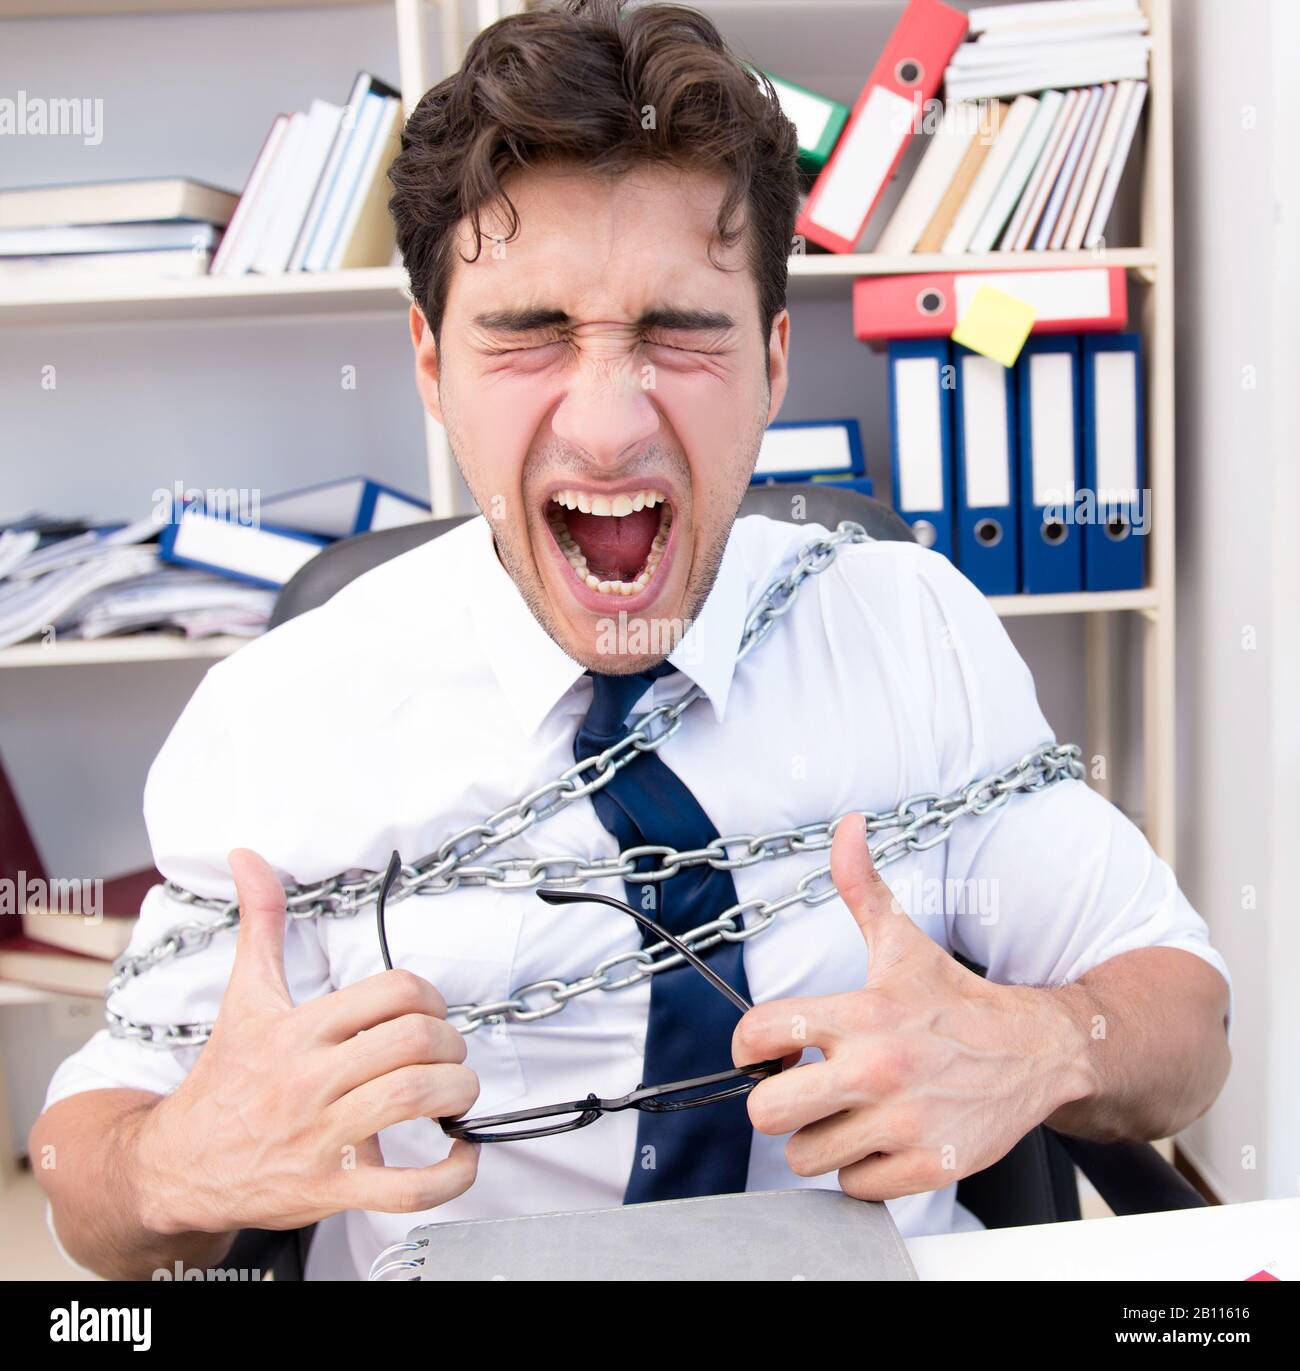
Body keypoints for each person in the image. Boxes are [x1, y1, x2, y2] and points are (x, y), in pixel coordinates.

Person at [31, 0, 1230, 1281]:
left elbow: (1188, 1025)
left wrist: (1044, 1044)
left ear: (772, 363)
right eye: (526, 333)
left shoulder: (910, 629)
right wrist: (175, 1164)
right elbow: (86, 1176)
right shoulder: (279, 711)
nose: (607, 427)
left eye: (680, 332)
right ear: (431, 367)